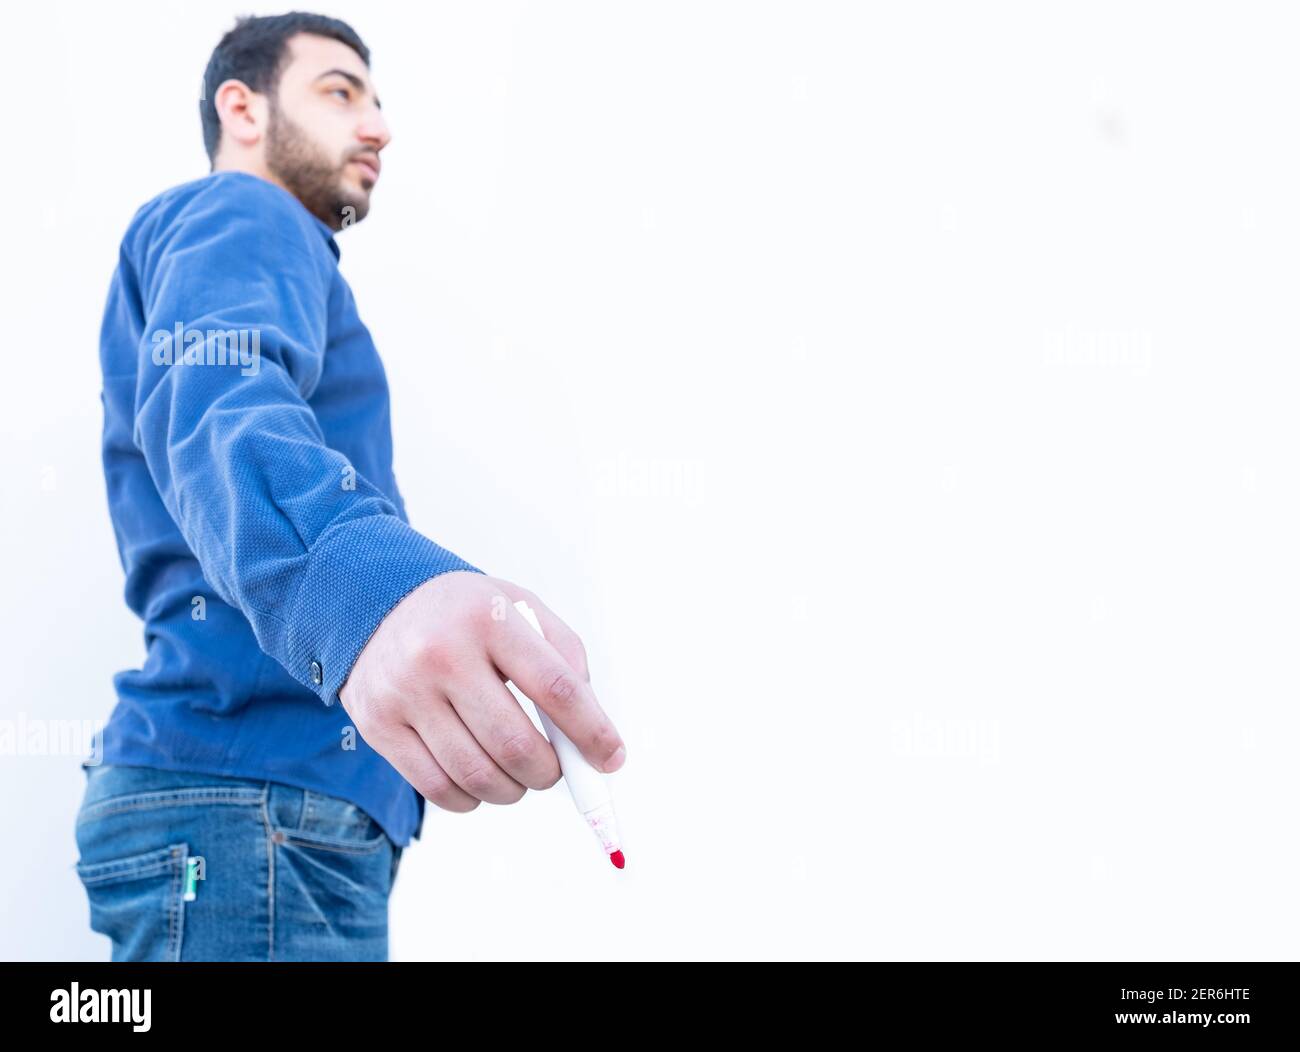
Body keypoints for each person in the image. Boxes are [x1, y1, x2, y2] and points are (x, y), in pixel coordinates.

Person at [75, 11, 627, 962]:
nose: (378, 126)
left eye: (378, 102)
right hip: (249, 808)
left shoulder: (252, 252)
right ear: (239, 108)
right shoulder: (241, 213)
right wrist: (361, 586)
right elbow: (218, 390)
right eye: (340, 92)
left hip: (257, 812)